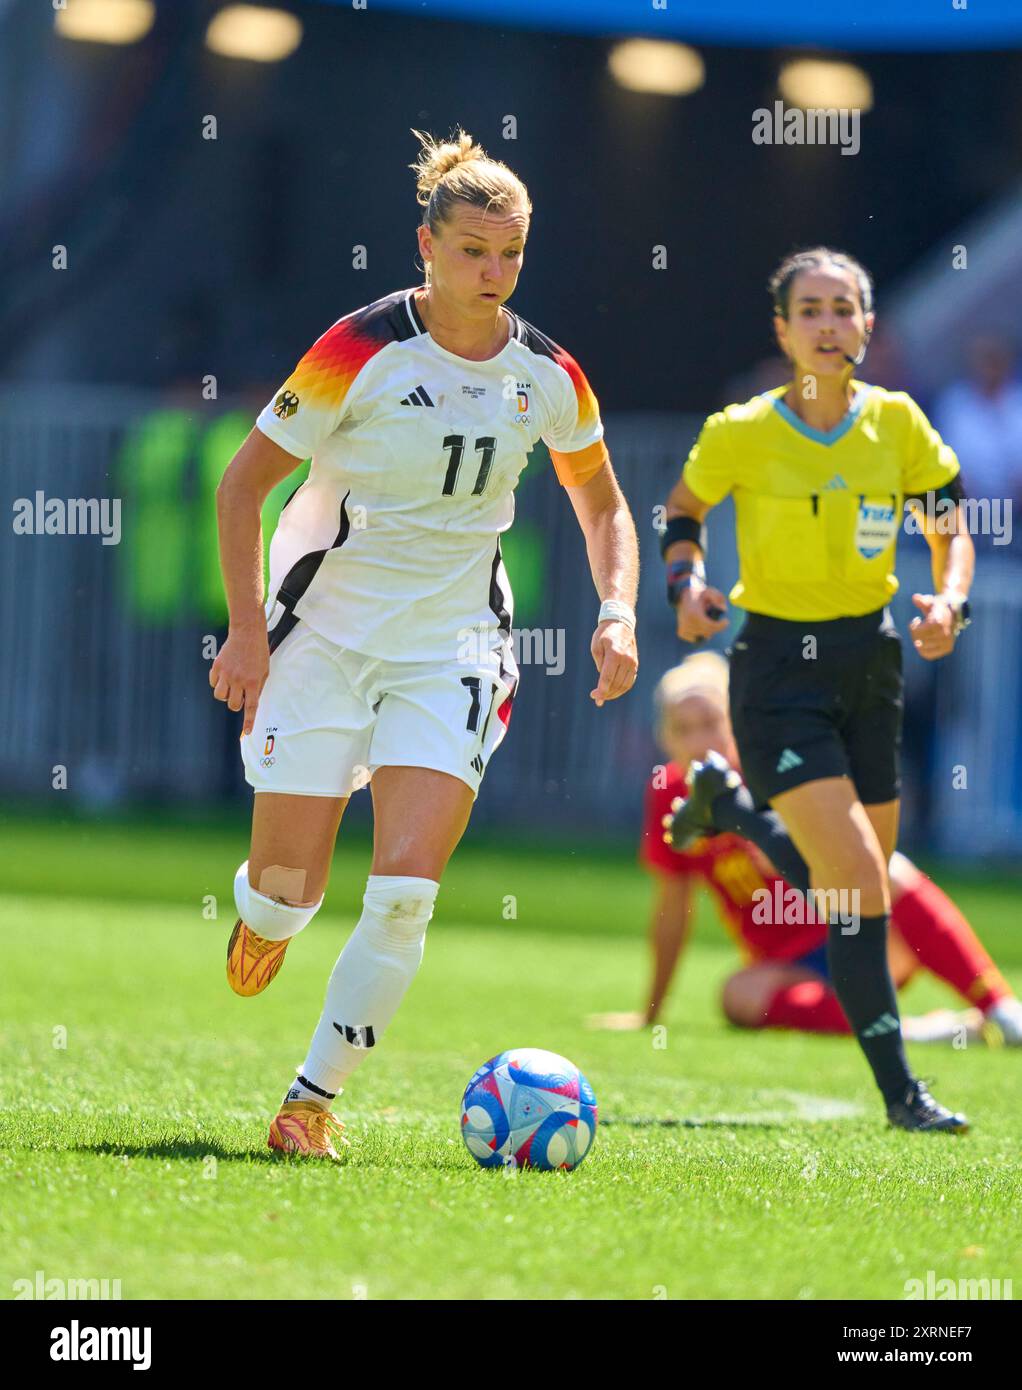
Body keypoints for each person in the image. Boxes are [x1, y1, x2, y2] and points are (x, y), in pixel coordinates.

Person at [209, 128, 639, 1159]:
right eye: (472, 252)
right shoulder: (357, 348)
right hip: (322, 635)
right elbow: (241, 487)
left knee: (404, 894)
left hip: (452, 646)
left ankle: (308, 1102)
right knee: (288, 891)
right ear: (426, 245)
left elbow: (603, 508)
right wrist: (247, 634)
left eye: (511, 255)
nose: (493, 274)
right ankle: (265, 915)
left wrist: (615, 608)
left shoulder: (547, 374)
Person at [661, 247, 977, 1132]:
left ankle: (730, 809)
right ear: (784, 330)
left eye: (844, 309)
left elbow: (951, 525)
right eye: (811, 310)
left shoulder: (900, 425)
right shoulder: (741, 431)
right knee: (856, 881)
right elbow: (681, 513)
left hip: (871, 666)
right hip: (775, 674)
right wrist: (685, 589)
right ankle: (903, 1095)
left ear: (867, 326)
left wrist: (949, 604)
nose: (829, 324)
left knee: (856, 889)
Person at [589, 654, 1022, 1048]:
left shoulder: (777, 768)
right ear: (666, 738)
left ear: (736, 721)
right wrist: (650, 1013)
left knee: (891, 869)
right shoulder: (668, 793)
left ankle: (1000, 1008)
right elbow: (673, 906)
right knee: (736, 995)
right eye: (683, 729)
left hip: (862, 937)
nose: (700, 741)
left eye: (710, 723)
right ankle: (920, 1033)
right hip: (789, 967)